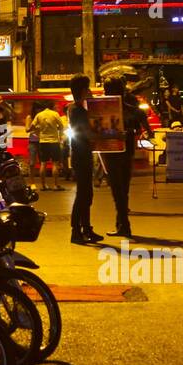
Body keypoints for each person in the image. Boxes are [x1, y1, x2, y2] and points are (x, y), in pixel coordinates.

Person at [101, 77, 147, 238]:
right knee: (122, 190)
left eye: (106, 90)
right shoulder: (132, 109)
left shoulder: (105, 108)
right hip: (125, 153)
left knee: (117, 190)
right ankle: (121, 224)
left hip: (114, 154)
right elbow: (142, 122)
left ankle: (124, 225)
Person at [67, 75, 99, 243]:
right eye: (88, 89)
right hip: (81, 156)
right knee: (83, 195)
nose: (91, 91)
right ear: (82, 91)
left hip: (83, 155)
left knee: (87, 194)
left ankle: (86, 228)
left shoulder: (78, 108)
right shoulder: (77, 110)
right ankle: (76, 231)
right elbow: (86, 133)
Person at [30, 99, 66, 191]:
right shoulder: (55, 114)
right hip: (54, 141)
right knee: (55, 163)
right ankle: (55, 185)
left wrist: (38, 131)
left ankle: (43, 185)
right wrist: (60, 135)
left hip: (43, 142)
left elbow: (32, 126)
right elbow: (62, 126)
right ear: (52, 106)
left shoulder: (39, 115)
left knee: (43, 164)